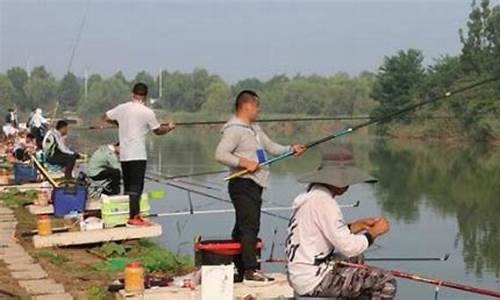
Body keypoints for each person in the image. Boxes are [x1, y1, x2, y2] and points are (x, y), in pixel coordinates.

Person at [215, 90, 306, 283]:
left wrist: (291, 149)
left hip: (255, 184)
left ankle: (237, 267)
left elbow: (272, 147)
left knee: (242, 228)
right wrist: (244, 162)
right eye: (257, 106)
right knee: (250, 227)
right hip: (242, 184)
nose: (259, 110)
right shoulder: (235, 130)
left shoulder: (254, 129)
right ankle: (250, 270)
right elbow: (220, 154)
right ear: (246, 106)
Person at [286, 152, 397, 299]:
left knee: (356, 259)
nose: (348, 186)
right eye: (346, 180)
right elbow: (349, 247)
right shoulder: (324, 202)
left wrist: (355, 226)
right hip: (312, 278)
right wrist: (374, 233)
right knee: (386, 282)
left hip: (300, 272)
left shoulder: (311, 196)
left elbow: (326, 233)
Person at [104, 82, 175, 227]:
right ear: (146, 96)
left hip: (124, 155)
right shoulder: (147, 112)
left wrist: (121, 124)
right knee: (136, 187)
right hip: (138, 155)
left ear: (133, 94)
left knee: (128, 186)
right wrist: (169, 128)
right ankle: (134, 217)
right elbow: (157, 131)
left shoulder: (122, 108)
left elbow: (105, 117)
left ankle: (128, 216)